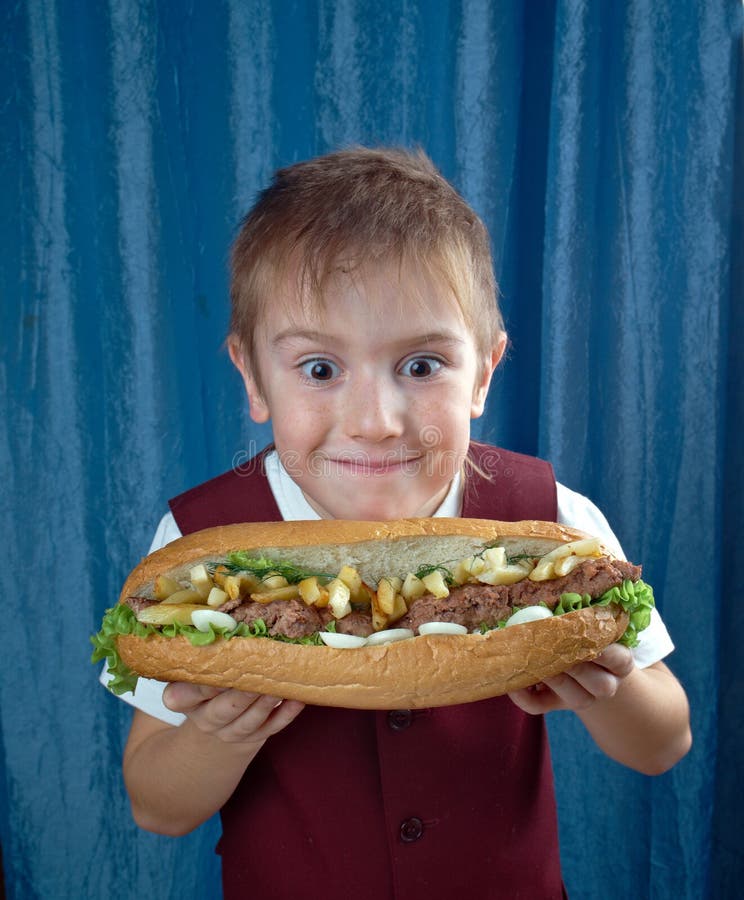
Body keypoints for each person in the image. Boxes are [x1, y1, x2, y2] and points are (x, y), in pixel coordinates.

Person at [106, 147, 691, 899]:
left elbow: (665, 743)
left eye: (421, 366)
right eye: (320, 369)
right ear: (252, 378)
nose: (375, 423)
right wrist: (219, 735)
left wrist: (611, 692)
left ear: (482, 373)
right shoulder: (197, 541)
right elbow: (156, 808)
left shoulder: (553, 520)